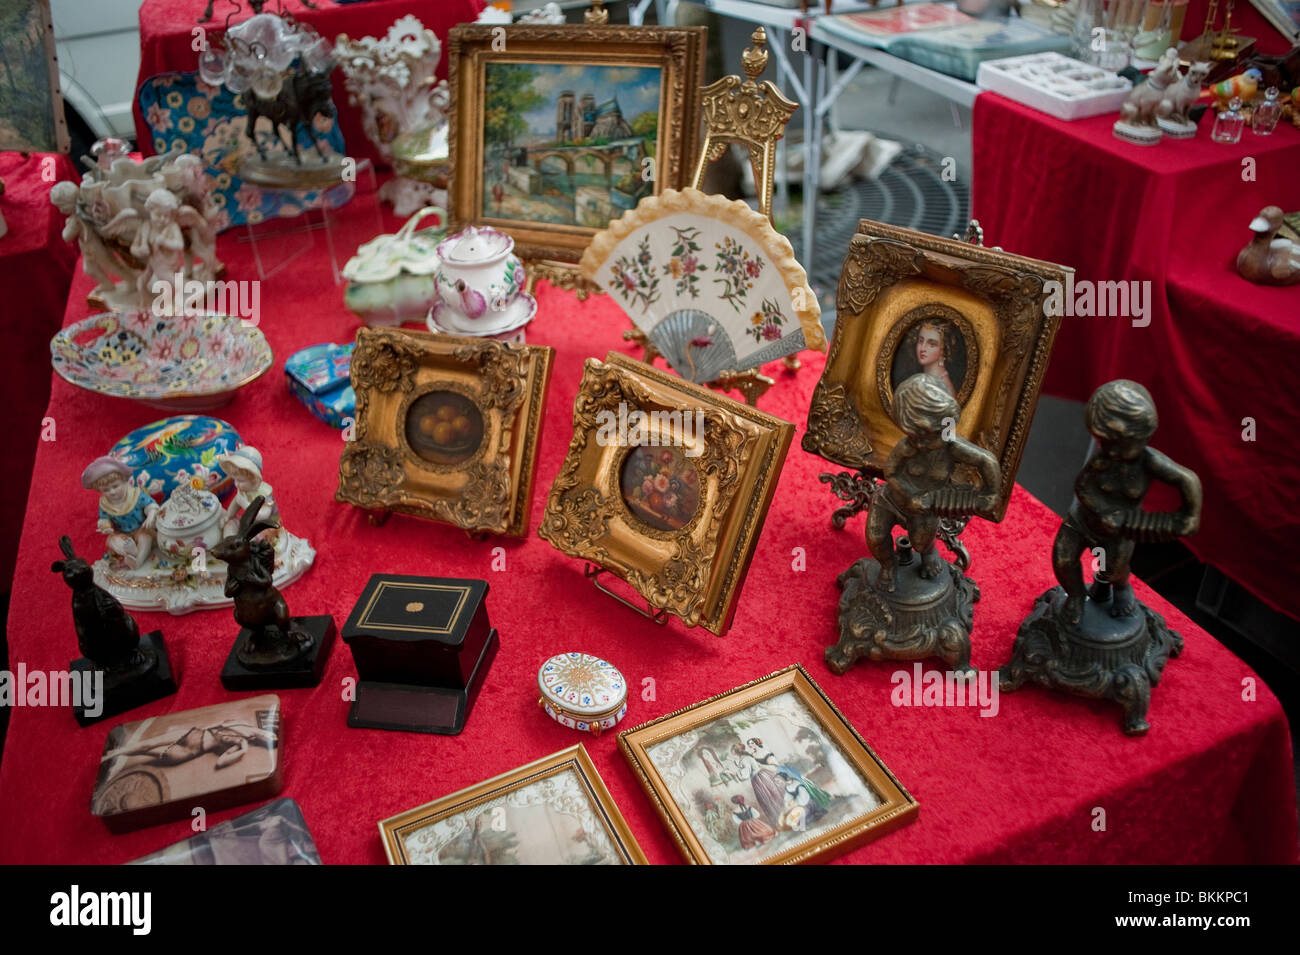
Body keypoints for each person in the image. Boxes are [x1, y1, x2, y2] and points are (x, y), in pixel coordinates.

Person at [1052, 380, 1202, 625]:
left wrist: (1191, 515)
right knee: (1063, 558)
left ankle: (1119, 586)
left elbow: (1188, 480)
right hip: (1082, 520)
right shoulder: (1104, 459)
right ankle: (1077, 597)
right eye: (1105, 443)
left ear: (1139, 437)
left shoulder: (1150, 463)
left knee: (1112, 569)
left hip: (1119, 533)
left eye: (1117, 445)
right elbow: (1082, 486)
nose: (1109, 450)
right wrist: (1102, 510)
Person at [82, 457, 157, 570]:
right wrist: (105, 526)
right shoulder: (105, 504)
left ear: (124, 480)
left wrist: (151, 513)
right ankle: (130, 552)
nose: (112, 492)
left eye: (115, 486)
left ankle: (138, 561)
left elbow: (149, 505)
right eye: (106, 490)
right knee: (112, 541)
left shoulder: (135, 494)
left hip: (141, 529)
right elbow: (104, 518)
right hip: (123, 534)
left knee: (145, 538)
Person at [216, 446, 279, 540]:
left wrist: (245, 504)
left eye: (240, 481)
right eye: (235, 480)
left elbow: (263, 515)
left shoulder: (265, 493)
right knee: (232, 526)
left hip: (266, 525)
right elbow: (236, 503)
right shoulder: (244, 490)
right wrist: (228, 516)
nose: (236, 484)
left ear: (254, 479)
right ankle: (231, 541)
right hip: (250, 523)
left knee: (256, 539)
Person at [730, 742, 784, 826]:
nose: (732, 753)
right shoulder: (746, 758)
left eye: (733, 751)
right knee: (772, 795)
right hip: (763, 776)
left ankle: (780, 817)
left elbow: (745, 774)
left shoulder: (745, 759)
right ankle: (782, 816)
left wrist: (735, 773)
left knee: (768, 798)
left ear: (736, 752)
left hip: (759, 779)